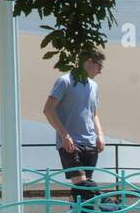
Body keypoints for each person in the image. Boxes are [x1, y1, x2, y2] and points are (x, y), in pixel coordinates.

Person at [43, 51, 106, 187]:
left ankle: (81, 208)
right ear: (89, 62)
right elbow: (48, 109)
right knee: (83, 185)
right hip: (70, 144)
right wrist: (64, 135)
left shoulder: (94, 86)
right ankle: (107, 204)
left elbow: (94, 114)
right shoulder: (65, 81)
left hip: (90, 143)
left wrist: (100, 135)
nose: (100, 72)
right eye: (99, 67)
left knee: (81, 191)